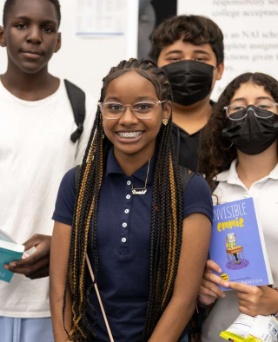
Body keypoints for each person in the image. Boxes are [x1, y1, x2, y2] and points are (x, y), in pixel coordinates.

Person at [50, 58, 213, 342]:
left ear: (165, 112)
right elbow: (60, 288)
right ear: (101, 114)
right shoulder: (76, 184)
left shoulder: (190, 188)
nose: (127, 119)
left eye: (143, 106)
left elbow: (184, 299)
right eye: (114, 107)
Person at [0, 0, 95, 341]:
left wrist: (61, 244)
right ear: (1, 34)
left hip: (50, 301)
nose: (35, 37)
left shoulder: (77, 104)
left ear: (59, 40)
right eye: (21, 25)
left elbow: (90, 200)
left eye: (47, 28)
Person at [198, 72, 278, 341]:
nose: (252, 112)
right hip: (217, 334)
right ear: (224, 118)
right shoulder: (206, 190)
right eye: (239, 107)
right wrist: (199, 288)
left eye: (264, 105)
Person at [149, 14, 224, 171]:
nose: (187, 66)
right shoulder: (142, 127)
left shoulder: (232, 126)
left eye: (200, 59)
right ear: (156, 69)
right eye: (175, 59)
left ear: (219, 70)